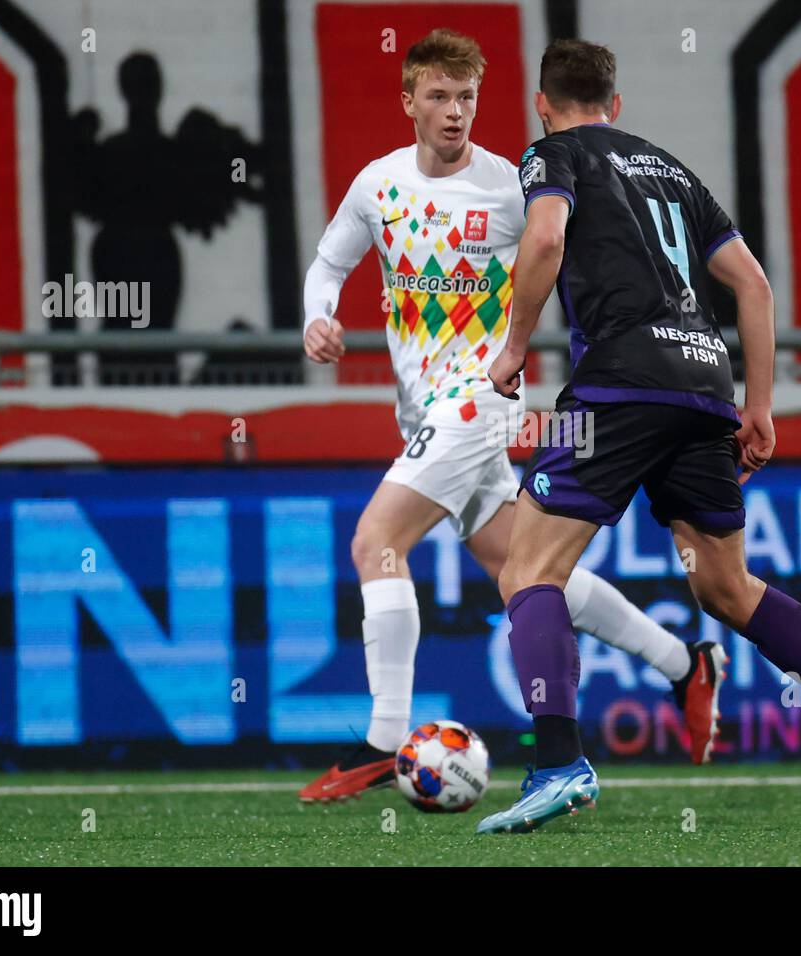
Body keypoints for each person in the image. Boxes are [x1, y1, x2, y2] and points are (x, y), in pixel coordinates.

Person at [479, 38, 801, 834]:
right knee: (727, 588)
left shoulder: (551, 154)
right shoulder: (671, 169)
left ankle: (558, 761)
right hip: (704, 385)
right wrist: (759, 406)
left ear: (543, 104)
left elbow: (546, 239)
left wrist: (513, 347)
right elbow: (752, 284)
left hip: (619, 384)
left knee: (527, 570)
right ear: (616, 105)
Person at [298, 30, 728, 804]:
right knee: (520, 569)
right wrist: (317, 317)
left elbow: (561, 243)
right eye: (438, 96)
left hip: (483, 399)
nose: (455, 112)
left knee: (375, 541)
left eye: (466, 98)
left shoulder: (509, 185)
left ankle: (384, 734)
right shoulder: (378, 185)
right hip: (423, 410)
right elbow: (330, 262)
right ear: (410, 103)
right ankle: (684, 662)